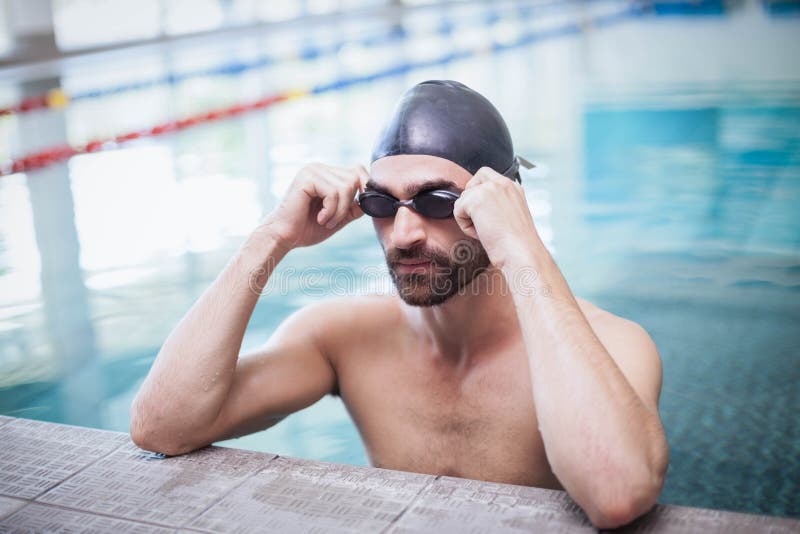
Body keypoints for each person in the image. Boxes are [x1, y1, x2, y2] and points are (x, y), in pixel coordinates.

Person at [130, 80, 669, 529]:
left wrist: (521, 247)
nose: (403, 233)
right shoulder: (342, 337)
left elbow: (616, 493)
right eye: (382, 203)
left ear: (502, 201)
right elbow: (162, 427)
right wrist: (272, 237)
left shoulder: (611, 343)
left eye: (436, 201)